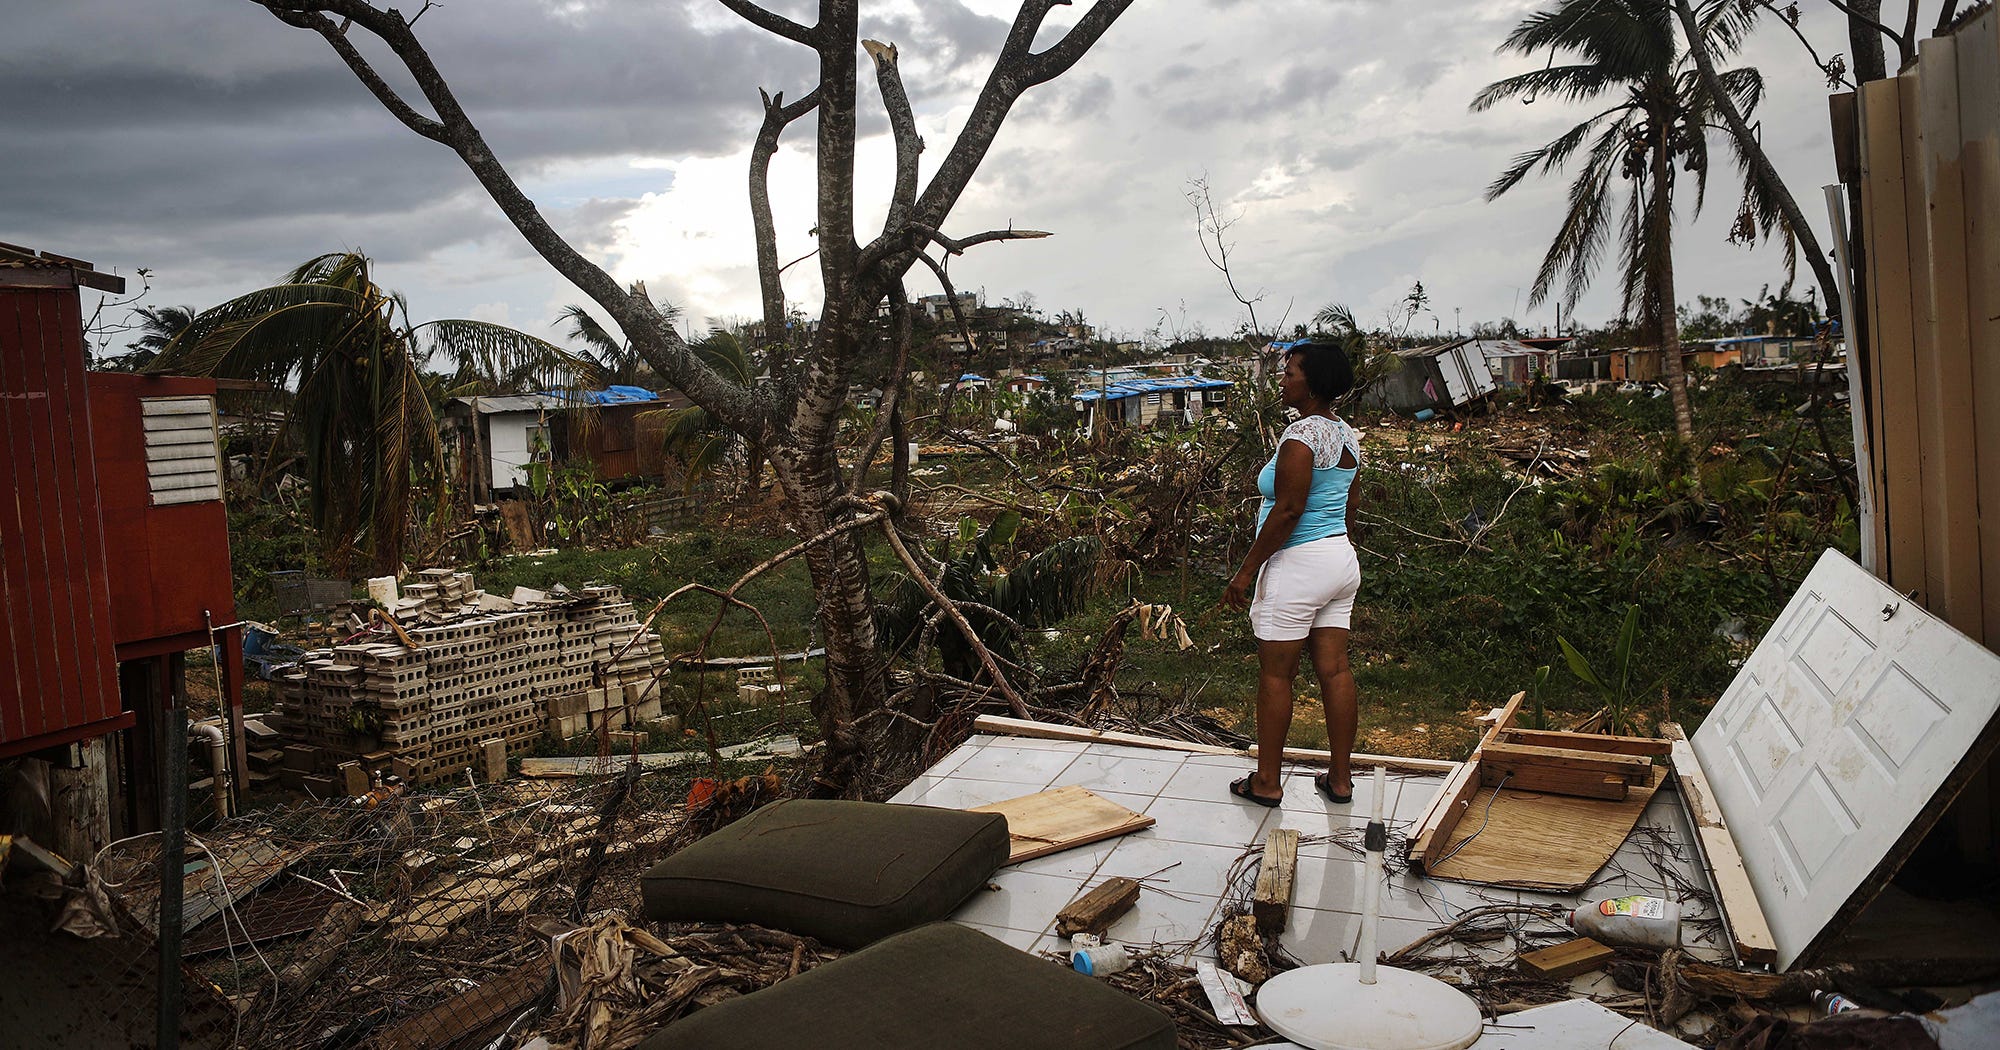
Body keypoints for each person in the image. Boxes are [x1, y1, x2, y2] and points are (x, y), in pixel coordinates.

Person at [1221, 342, 1362, 807]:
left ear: (1312, 383)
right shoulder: (1348, 436)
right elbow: (1350, 505)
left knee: (1277, 675)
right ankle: (1339, 781)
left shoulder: (1301, 435)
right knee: (1335, 670)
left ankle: (1266, 782)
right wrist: (1334, 552)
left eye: (1290, 372)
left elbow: (1287, 510)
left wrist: (1245, 572)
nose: (1283, 380)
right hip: (1339, 560)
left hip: (1299, 565)